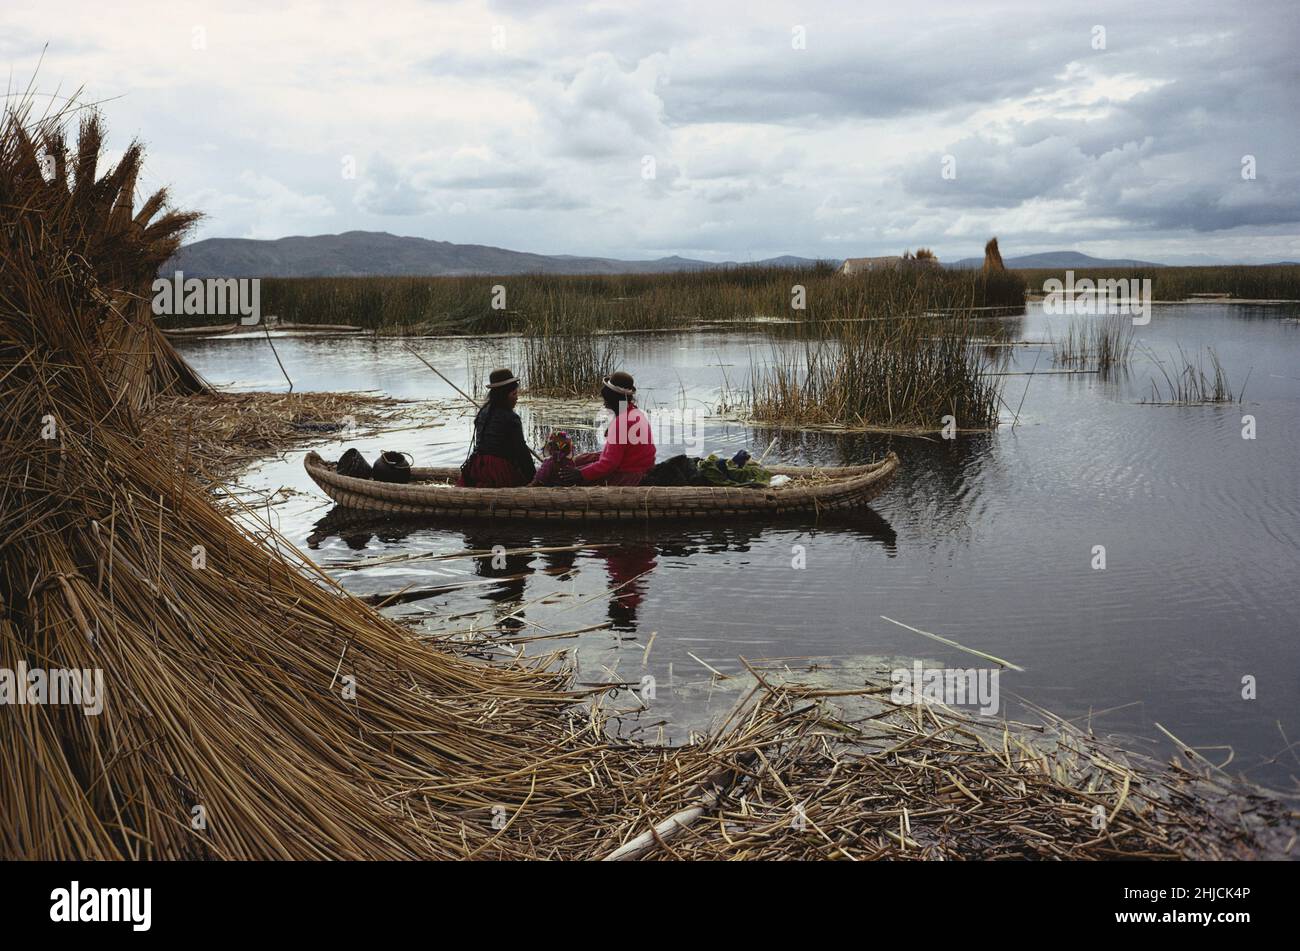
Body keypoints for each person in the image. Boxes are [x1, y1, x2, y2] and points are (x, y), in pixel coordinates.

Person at [569, 371, 655, 486]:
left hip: (629, 477)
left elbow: (609, 464)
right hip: (640, 470)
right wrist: (581, 459)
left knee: (572, 478)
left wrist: (580, 474)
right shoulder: (634, 412)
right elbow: (615, 454)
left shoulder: (622, 423)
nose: (604, 404)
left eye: (606, 400)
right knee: (582, 461)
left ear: (614, 399)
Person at [457, 368, 536, 487]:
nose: (517, 398)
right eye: (514, 394)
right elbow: (521, 451)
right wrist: (534, 477)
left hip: (477, 465)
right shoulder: (511, 418)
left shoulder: (483, 412)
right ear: (503, 395)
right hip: (496, 469)